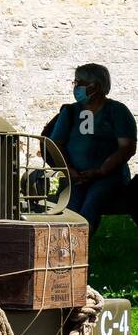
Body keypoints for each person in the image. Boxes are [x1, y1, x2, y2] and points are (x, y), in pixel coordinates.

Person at [48, 63, 136, 235]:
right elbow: (55, 144)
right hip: (76, 177)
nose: (75, 87)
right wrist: (70, 170)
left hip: (108, 177)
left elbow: (127, 148)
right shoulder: (71, 111)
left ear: (94, 86)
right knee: (70, 210)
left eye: (78, 83)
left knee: (91, 205)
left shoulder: (117, 111)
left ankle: (78, 251)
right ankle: (66, 252)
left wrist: (101, 171)